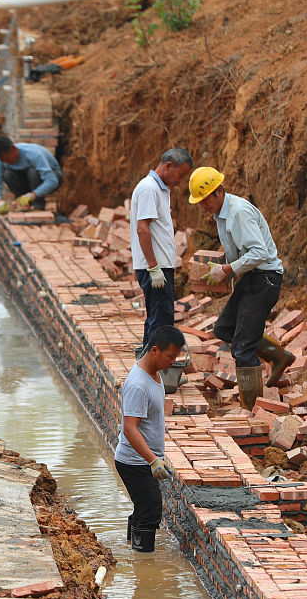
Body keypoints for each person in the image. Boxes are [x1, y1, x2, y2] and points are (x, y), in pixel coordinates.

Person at [188, 166, 295, 410]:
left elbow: (259, 253)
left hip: (265, 279)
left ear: (218, 191)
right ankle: (278, 356)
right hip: (251, 278)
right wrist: (221, 272)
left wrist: (227, 270)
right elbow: (240, 254)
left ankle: (253, 410)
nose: (202, 206)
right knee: (225, 328)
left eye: (204, 200)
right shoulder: (221, 215)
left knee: (243, 348)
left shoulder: (239, 212)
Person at [114, 324, 185, 553]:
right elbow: (129, 428)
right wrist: (153, 460)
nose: (173, 362)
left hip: (143, 460)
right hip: (135, 462)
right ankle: (142, 563)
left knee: (144, 509)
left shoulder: (154, 373)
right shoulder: (138, 384)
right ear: (155, 350)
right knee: (150, 512)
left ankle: (131, 551)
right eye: (170, 356)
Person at [130, 148, 194, 355]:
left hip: (160, 265)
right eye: (180, 175)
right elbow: (142, 229)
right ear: (168, 166)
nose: (180, 181)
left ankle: (147, 357)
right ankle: (154, 365)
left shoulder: (160, 189)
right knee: (161, 319)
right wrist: (153, 267)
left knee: (158, 317)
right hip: (155, 267)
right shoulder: (149, 189)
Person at [0, 134, 63, 215]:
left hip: (52, 177)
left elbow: (52, 181)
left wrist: (33, 195)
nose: (6, 162)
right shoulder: (0, 160)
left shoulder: (33, 154)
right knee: (7, 174)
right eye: (3, 161)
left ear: (13, 149)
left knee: (32, 172)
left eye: (7, 159)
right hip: (28, 180)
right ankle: (23, 203)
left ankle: (38, 205)